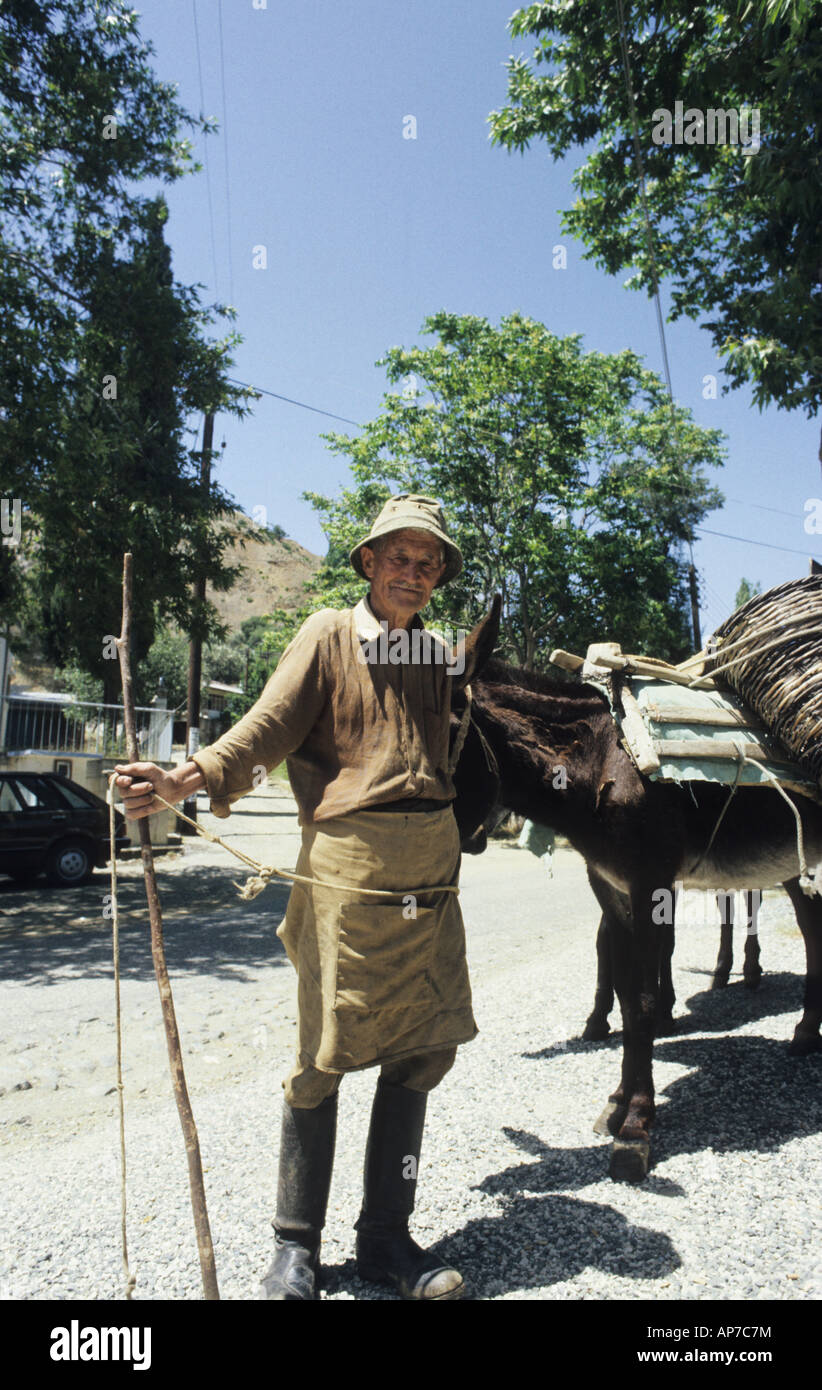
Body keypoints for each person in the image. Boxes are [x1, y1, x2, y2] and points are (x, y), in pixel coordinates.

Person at [114, 494, 479, 1302]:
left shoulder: (437, 656)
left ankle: (386, 1238)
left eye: (429, 564)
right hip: (351, 871)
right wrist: (189, 775)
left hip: (433, 871)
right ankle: (294, 1248)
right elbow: (267, 726)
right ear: (370, 561)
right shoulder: (326, 633)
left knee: (423, 1050)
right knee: (327, 1053)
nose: (414, 574)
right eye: (400, 558)